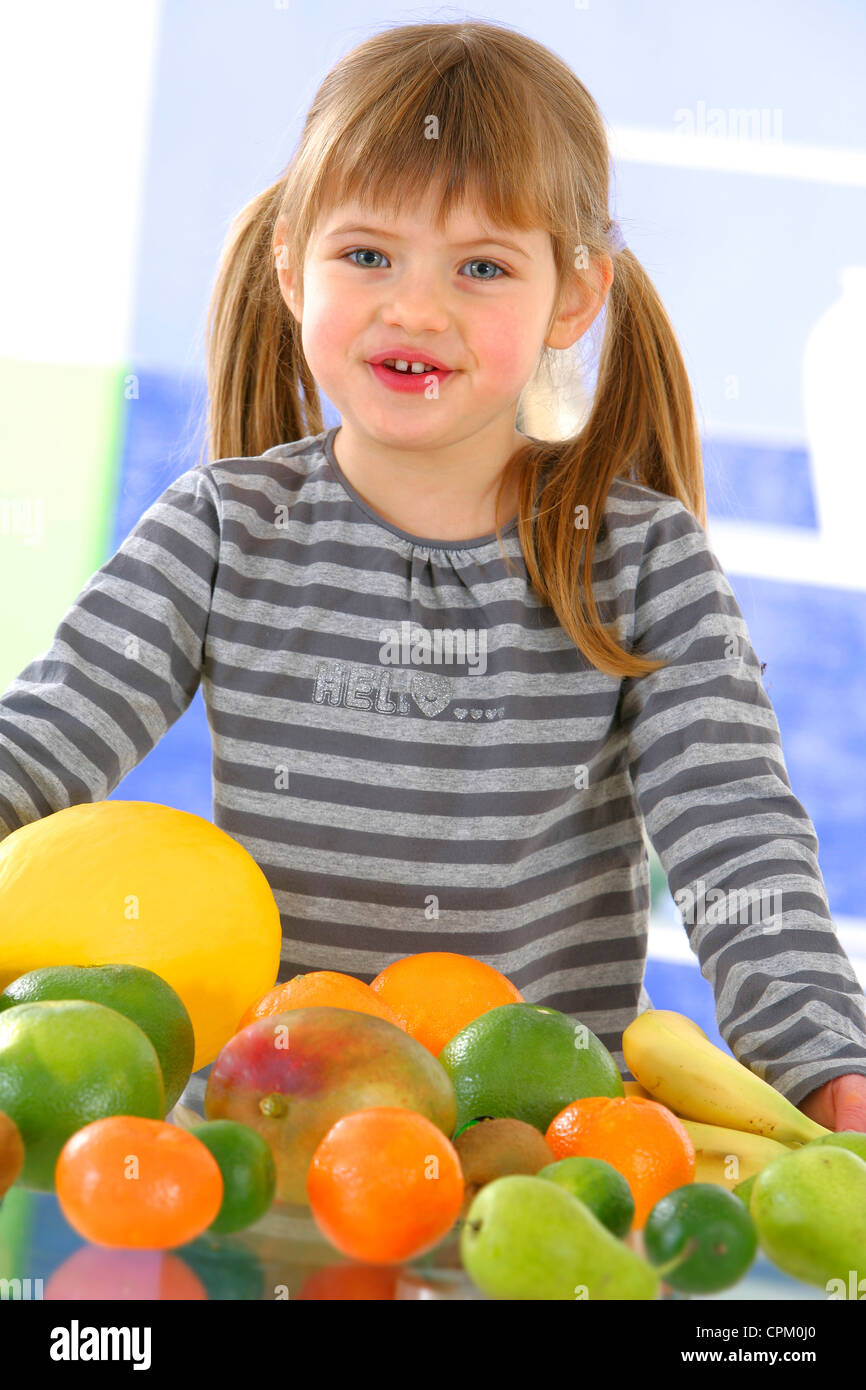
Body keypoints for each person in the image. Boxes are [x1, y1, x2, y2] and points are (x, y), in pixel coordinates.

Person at [1, 20, 865, 1131]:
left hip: (544, 1143)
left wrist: (826, 1066)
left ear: (571, 296)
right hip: (285, 1132)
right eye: (366, 254)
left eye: (481, 267)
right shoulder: (220, 529)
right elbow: (41, 742)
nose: (415, 307)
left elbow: (736, 839)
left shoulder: (640, 558)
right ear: (288, 264)